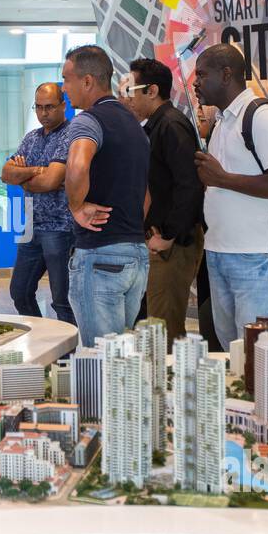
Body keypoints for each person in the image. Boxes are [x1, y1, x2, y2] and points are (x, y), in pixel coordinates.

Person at [193, 43, 268, 352]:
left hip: (257, 258)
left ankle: (264, 403)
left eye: (202, 74)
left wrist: (222, 179)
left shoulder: (262, 116)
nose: (196, 83)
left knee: (259, 355)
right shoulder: (224, 121)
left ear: (226, 75)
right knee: (233, 352)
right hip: (219, 252)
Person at [61, 44, 150, 348]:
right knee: (123, 358)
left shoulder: (87, 121)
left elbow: (76, 165)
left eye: (67, 79)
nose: (64, 88)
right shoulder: (134, 125)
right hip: (136, 254)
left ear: (87, 81)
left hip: (101, 255)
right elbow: (146, 192)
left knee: (105, 362)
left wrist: (76, 206)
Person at [124, 57, 204, 346]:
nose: (128, 98)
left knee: (164, 329)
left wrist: (169, 235)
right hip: (158, 238)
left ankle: (170, 386)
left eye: (132, 90)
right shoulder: (153, 126)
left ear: (152, 90)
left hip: (173, 243)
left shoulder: (171, 125)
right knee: (153, 324)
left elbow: (190, 185)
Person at [2, 82, 76, 325]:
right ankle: (43, 339)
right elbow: (6, 174)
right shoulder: (31, 138)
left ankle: (70, 356)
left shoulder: (71, 134)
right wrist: (36, 172)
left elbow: (51, 181)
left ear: (63, 106)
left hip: (61, 228)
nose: (44, 113)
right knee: (20, 292)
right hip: (32, 227)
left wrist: (23, 176)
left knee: (62, 301)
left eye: (50, 107)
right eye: (39, 107)